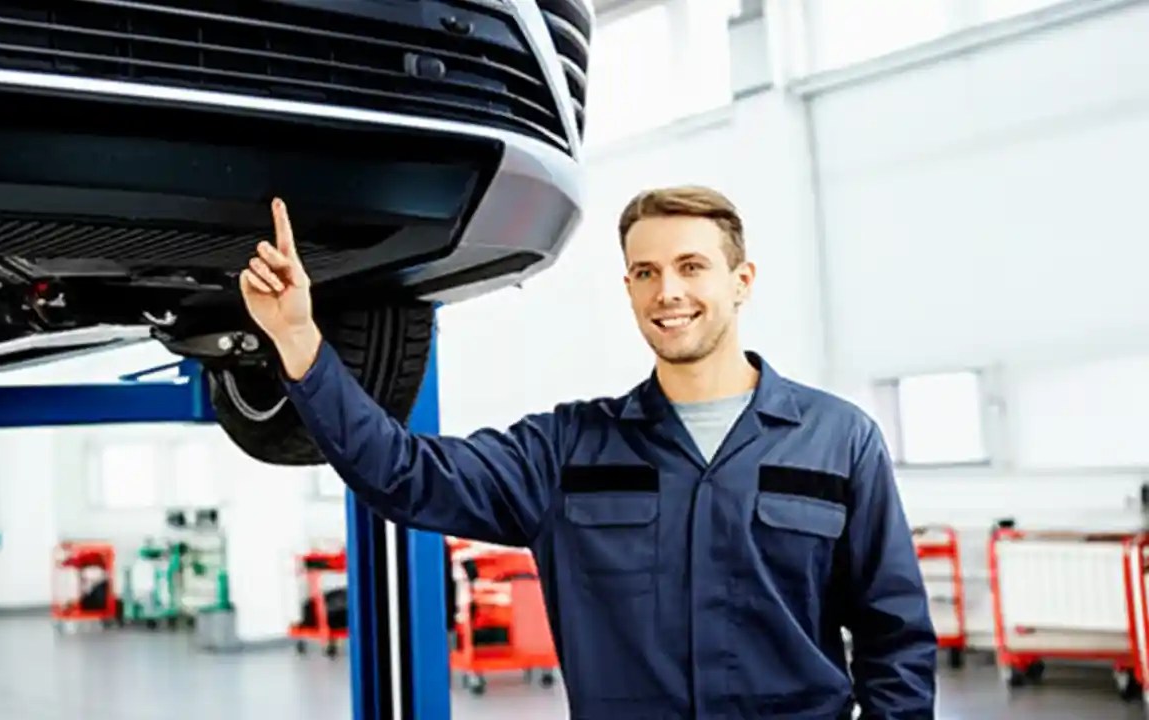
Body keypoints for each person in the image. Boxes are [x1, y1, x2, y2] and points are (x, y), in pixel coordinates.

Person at [240, 187, 937, 719]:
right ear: (629, 287)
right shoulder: (568, 449)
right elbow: (405, 476)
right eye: (645, 272)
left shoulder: (839, 440)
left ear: (741, 281)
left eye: (692, 266)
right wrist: (301, 342)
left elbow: (895, 637)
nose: (669, 292)